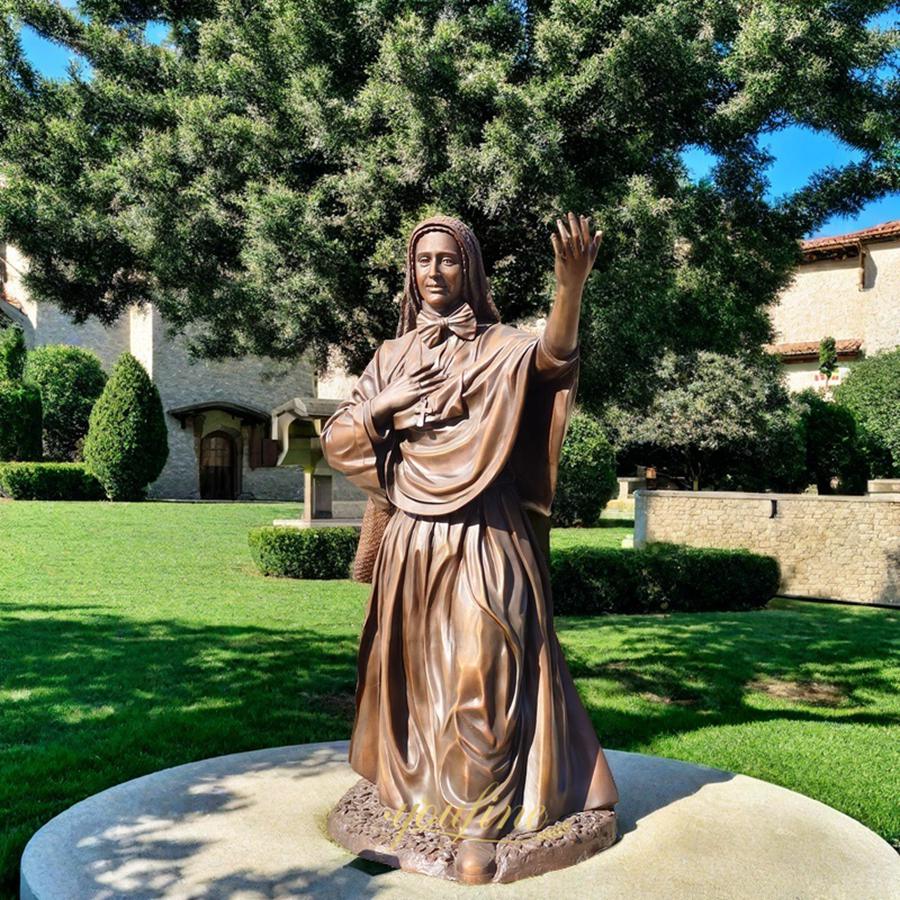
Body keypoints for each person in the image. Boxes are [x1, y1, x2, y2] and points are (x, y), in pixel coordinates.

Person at [321, 212, 618, 884]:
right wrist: (382, 405)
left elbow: (553, 360)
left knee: (485, 674)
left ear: (470, 269)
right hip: (412, 543)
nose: (433, 272)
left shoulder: (499, 347)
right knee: (419, 684)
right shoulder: (390, 357)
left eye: (447, 259)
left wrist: (569, 288)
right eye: (422, 259)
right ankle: (420, 803)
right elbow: (341, 440)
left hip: (487, 534)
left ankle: (482, 824)